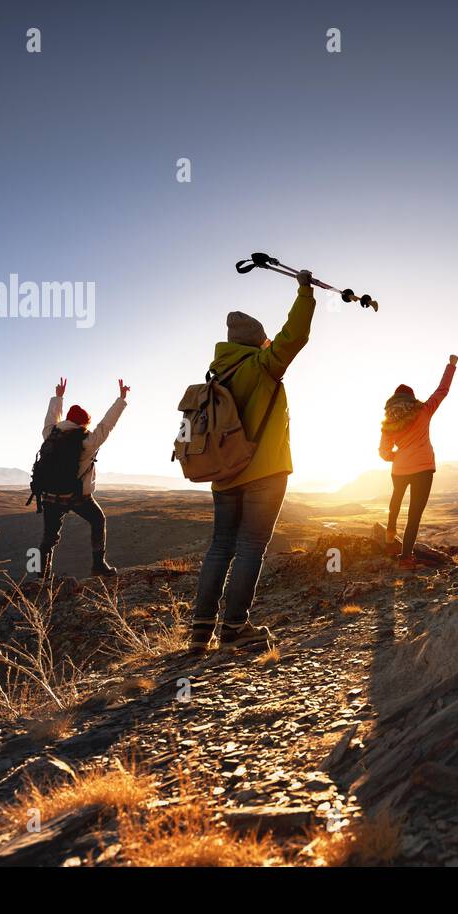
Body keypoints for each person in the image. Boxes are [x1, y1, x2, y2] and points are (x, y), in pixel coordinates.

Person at [189, 269, 315, 652]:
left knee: (220, 547)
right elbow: (295, 336)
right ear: (258, 341)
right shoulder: (262, 366)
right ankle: (235, 628)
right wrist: (305, 293)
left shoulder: (215, 376)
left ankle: (200, 631)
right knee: (250, 547)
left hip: (224, 475)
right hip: (264, 471)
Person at [38, 377, 129, 578]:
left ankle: (40, 577)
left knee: (48, 539)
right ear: (83, 423)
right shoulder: (87, 442)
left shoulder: (50, 433)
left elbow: (51, 417)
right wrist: (121, 400)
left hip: (50, 496)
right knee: (98, 520)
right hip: (77, 496)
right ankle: (98, 566)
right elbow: (107, 424)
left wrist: (58, 397)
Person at [379, 355, 458, 569]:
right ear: (411, 399)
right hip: (423, 469)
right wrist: (451, 366)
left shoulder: (388, 423)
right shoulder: (423, 410)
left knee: (396, 498)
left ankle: (389, 532)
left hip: (399, 469)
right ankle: (405, 558)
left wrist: (398, 456)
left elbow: (384, 452)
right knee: (415, 513)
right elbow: (442, 391)